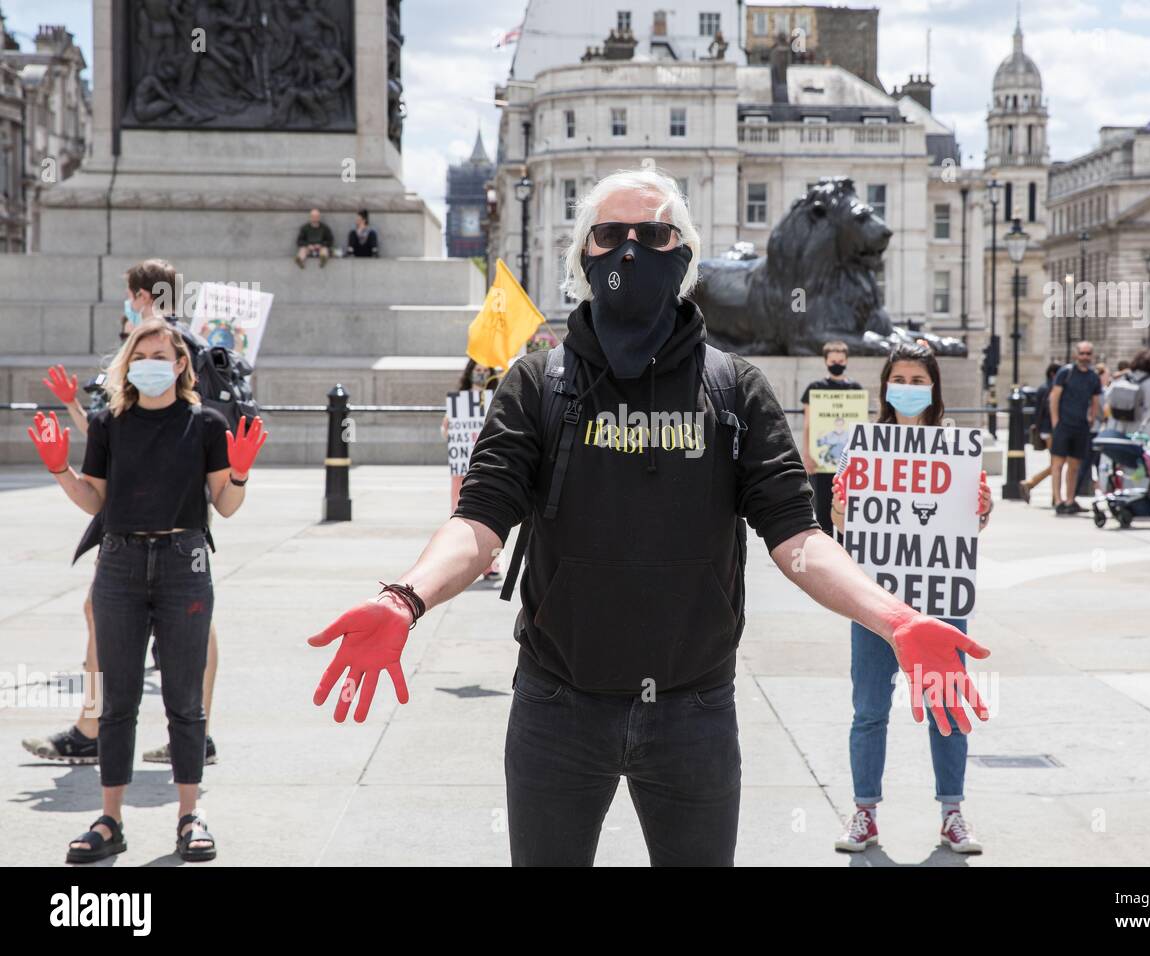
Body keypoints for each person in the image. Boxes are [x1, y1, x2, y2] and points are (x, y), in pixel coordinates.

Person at [305, 168, 988, 866]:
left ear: (684, 256)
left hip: (693, 711)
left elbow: (797, 537)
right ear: (584, 259)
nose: (630, 251)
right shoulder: (538, 382)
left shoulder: (733, 386)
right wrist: (405, 595)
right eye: (609, 235)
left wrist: (893, 617)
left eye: (653, 234)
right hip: (558, 705)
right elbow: (479, 519)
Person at [28, 319, 268, 863]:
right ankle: (110, 819)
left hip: (185, 563)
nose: (151, 362)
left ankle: (189, 815)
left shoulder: (205, 423)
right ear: (128, 364)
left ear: (182, 365)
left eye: (163, 353)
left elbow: (224, 507)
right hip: (120, 564)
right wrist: (60, 470)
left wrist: (241, 475)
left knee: (185, 700)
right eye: (141, 354)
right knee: (119, 702)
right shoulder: (109, 422)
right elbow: (97, 502)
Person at [23, 264, 223, 768]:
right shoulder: (186, 339)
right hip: (151, 503)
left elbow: (125, 432)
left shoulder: (168, 343)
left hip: (160, 507)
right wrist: (73, 412)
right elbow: (112, 430)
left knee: (162, 617)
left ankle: (104, 727)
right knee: (131, 613)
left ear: (140, 295)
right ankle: (171, 728)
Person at [828, 343, 993, 854]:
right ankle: (864, 814)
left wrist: (982, 508)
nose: (909, 387)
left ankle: (952, 813)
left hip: (940, 600)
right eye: (899, 378)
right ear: (885, 388)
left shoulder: (956, 450)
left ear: (934, 388)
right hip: (877, 605)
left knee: (945, 708)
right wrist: (840, 506)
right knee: (870, 710)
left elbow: (973, 524)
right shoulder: (864, 451)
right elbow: (842, 527)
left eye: (919, 380)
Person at [441, 357, 502, 581]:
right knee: (460, 514)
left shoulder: (498, 398)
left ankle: (491, 563)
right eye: (477, 370)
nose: (480, 374)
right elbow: (446, 432)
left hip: (485, 464)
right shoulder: (460, 401)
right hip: (461, 469)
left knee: (487, 514)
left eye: (485, 371)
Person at [800, 341, 864, 535]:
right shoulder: (815, 388)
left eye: (841, 360)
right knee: (822, 515)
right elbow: (808, 424)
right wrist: (807, 454)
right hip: (821, 463)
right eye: (833, 360)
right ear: (826, 361)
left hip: (848, 464)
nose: (837, 363)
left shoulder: (855, 389)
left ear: (846, 361)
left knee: (847, 511)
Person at [1048, 341, 1102, 515]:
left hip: (1081, 426)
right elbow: (1054, 397)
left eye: (1088, 354)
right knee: (1057, 464)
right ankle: (1058, 500)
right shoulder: (1066, 372)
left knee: (1074, 466)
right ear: (1076, 355)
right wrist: (1056, 421)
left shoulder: (1093, 377)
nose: (1085, 357)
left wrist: (1092, 418)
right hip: (1064, 425)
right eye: (1082, 353)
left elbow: (1095, 400)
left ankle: (1070, 499)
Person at [1019, 362, 1061, 503]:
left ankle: (1054, 496)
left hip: (1044, 429)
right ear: (1053, 374)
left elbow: (1037, 412)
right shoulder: (1053, 388)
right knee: (1057, 464)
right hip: (1051, 429)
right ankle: (1030, 483)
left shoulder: (1043, 387)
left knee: (1056, 463)